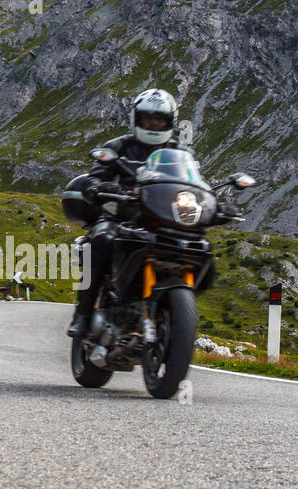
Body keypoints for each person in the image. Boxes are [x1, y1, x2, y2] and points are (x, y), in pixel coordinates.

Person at [67, 88, 234, 338]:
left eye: (159, 119)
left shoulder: (182, 153)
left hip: (161, 218)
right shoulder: (119, 146)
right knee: (101, 240)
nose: (153, 124)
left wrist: (215, 205)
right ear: (137, 119)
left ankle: (173, 310)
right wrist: (99, 186)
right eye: (148, 118)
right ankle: (83, 314)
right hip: (121, 216)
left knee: (202, 249)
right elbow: (96, 176)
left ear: (170, 122)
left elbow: (193, 184)